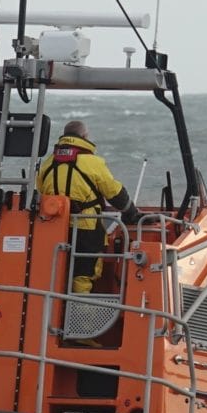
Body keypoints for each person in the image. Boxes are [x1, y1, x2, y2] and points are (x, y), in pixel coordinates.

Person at [36, 118, 139, 294]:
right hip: (86, 226)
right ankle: (82, 319)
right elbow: (114, 192)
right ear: (84, 136)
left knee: (56, 271)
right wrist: (131, 212)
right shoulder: (93, 163)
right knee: (83, 275)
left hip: (53, 227)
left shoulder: (47, 164)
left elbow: (39, 193)